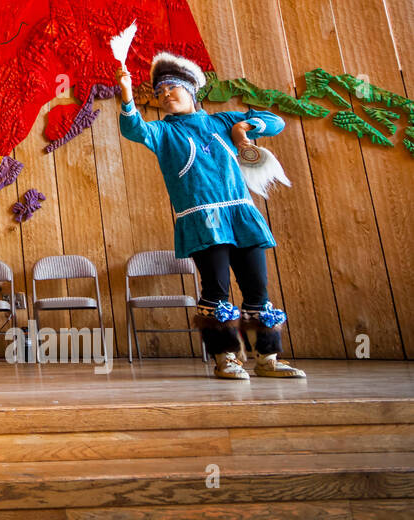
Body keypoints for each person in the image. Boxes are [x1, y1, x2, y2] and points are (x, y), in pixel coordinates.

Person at [117, 52, 304, 380]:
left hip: (240, 215)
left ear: (191, 90)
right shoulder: (162, 132)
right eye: (159, 93)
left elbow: (276, 122)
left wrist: (246, 125)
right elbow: (133, 129)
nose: (165, 96)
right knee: (216, 288)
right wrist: (128, 95)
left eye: (171, 88)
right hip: (204, 220)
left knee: (257, 288)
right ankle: (226, 358)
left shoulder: (221, 122)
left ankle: (267, 358)